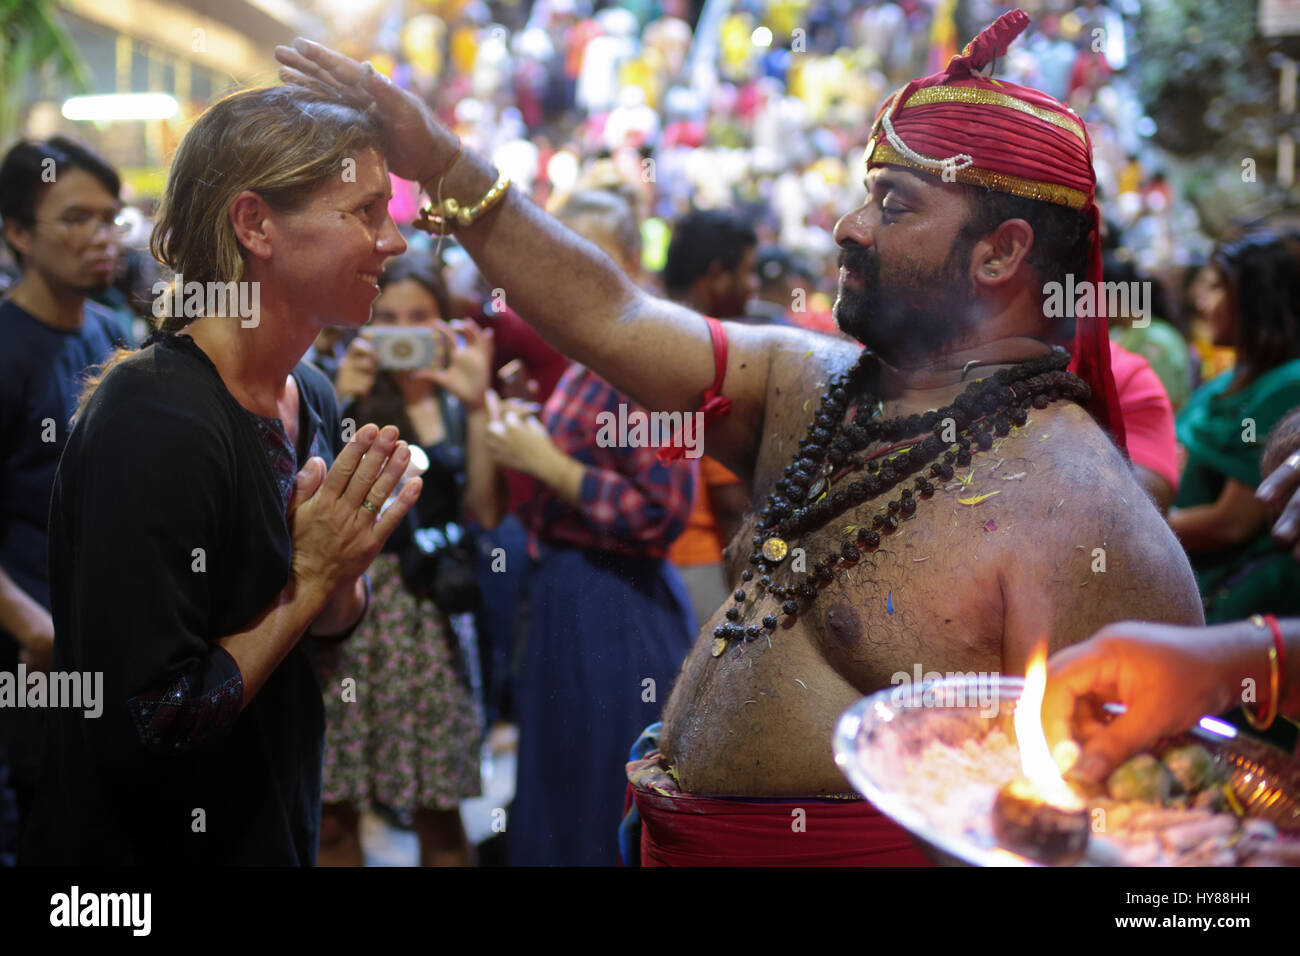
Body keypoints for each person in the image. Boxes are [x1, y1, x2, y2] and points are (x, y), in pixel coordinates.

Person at [274, 11, 1202, 867]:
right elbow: (615, 314)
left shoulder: (1088, 521)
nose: (848, 226)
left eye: (895, 202)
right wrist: (442, 162)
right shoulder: (809, 384)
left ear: (998, 254)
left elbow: (1130, 839)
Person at [19, 85, 420, 864]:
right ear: (255, 224)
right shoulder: (157, 416)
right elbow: (151, 725)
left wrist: (339, 578)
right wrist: (310, 577)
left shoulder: (311, 392)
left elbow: (323, 634)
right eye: (365, 211)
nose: (394, 240)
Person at [485, 186, 695, 865]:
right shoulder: (588, 348)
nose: (567, 276)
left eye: (589, 257)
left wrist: (551, 465)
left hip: (618, 606)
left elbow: (663, 512)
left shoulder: (657, 355)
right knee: (566, 791)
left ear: (631, 261)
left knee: (608, 795)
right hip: (566, 598)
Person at [315, 256, 498, 867]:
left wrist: (473, 409)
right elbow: (307, 492)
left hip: (430, 617)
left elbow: (487, 511)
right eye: (386, 318)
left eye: (420, 318)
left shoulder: (457, 400)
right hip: (346, 607)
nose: (404, 332)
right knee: (332, 814)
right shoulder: (336, 390)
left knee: (439, 814)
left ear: (446, 323)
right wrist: (341, 396)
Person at [0, 136, 129, 852]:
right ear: (18, 233)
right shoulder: (7, 347)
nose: (100, 237)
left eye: (109, 218)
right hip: (29, 655)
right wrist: (31, 626)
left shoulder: (113, 334)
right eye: (75, 219)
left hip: (102, 641)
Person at [1168, 231, 1300, 624]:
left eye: (1220, 288)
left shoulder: (1287, 384)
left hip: (1229, 595)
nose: (1205, 303)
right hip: (1185, 572)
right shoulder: (1224, 383)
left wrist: (1136, 527)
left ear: (1257, 301)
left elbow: (1232, 523)